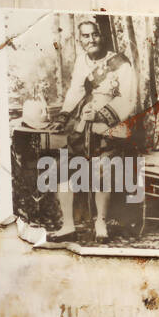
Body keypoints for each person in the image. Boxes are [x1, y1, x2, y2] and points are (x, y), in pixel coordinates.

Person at [48, 16, 138, 242]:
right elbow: (75, 91)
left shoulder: (121, 63)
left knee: (101, 172)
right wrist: (64, 115)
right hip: (82, 126)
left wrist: (100, 115)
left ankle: (101, 223)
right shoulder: (82, 61)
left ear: (102, 35)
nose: (91, 39)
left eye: (95, 34)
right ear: (80, 40)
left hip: (109, 126)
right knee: (62, 170)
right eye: (86, 36)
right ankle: (68, 226)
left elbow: (129, 99)